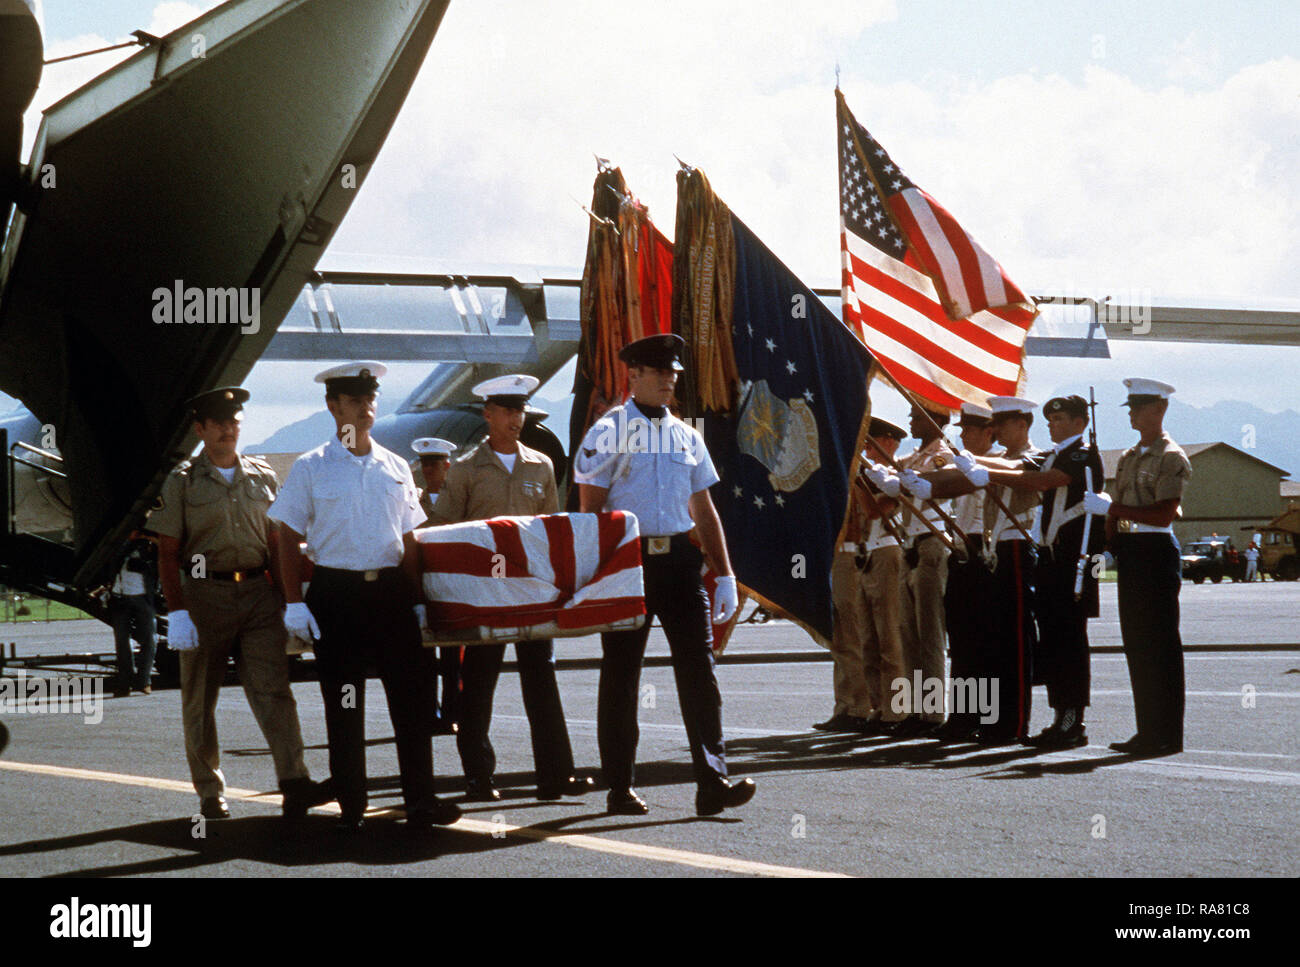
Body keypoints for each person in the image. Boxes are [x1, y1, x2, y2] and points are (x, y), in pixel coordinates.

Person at [270, 363, 460, 833]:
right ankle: (352, 802)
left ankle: (421, 800)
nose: (366, 408)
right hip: (338, 595)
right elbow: (286, 537)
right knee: (346, 702)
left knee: (411, 700)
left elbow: (410, 538)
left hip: (392, 596)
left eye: (371, 399)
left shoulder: (395, 467)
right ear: (333, 407)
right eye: (354, 400)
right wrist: (294, 602)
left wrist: (417, 598)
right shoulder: (311, 467)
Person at [575, 333, 755, 817]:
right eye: (659, 372)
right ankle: (619, 786)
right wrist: (598, 577)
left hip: (678, 561)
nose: (669, 380)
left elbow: (705, 509)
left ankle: (712, 781)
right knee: (622, 674)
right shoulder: (608, 431)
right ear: (632, 376)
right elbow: (590, 510)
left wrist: (725, 574)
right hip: (628, 561)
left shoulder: (686, 434)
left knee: (700, 672)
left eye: (673, 373)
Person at [152, 388, 329, 821]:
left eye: (234, 422)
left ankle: (294, 781)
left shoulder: (262, 476)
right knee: (200, 699)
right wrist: (176, 611)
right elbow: (168, 551)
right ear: (201, 429)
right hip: (203, 597)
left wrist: (291, 601)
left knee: (274, 691)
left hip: (257, 595)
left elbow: (275, 541)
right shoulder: (182, 482)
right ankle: (210, 791)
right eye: (219, 423)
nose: (228, 430)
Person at [428, 375, 593, 803]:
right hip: (485, 595)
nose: (515, 419)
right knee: (478, 684)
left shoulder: (541, 465)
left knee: (542, 680)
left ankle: (556, 775)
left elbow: (548, 529)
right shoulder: (464, 470)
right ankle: (478, 777)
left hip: (528, 593)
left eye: (520, 410)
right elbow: (443, 530)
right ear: (487, 414)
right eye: (507, 410)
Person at [981, 395, 1104, 750]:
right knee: (1052, 639)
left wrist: (985, 472)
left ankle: (1073, 720)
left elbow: (1043, 481)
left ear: (1081, 422)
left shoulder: (1082, 453)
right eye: (1051, 419)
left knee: (1070, 640)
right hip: (1051, 558)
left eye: (1061, 419)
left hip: (1074, 558)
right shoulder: (1054, 453)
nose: (1053, 424)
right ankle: (1058, 716)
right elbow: (1026, 472)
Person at [1099, 378, 1192, 758]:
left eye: (1139, 407)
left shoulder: (1171, 456)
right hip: (1132, 549)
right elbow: (1119, 506)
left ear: (1160, 410)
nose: (1133, 414)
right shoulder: (1128, 456)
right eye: (1131, 407)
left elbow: (1164, 512)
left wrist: (1110, 509)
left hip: (1155, 548)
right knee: (1138, 644)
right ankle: (1147, 729)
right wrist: (1109, 539)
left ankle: (1167, 733)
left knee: (1160, 645)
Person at [929, 402, 998, 743]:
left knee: (982, 641)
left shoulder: (993, 463)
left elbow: (959, 486)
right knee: (961, 640)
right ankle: (963, 714)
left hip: (982, 552)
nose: (962, 435)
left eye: (969, 430)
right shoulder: (965, 464)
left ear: (989, 432)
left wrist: (931, 485)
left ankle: (985, 716)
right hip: (960, 551)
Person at [892, 404, 954, 736]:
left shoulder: (943, 454)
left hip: (932, 542)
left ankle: (931, 712)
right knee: (908, 632)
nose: (911, 421)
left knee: (929, 631)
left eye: (917, 416)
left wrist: (907, 480)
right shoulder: (914, 456)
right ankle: (915, 708)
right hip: (910, 543)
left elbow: (939, 480)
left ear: (937, 420)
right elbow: (893, 473)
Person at [412, 437, 461, 735]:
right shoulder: (413, 501)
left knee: (453, 657)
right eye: (425, 463)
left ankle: (453, 711)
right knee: (423, 657)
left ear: (447, 466)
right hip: (421, 585)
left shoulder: (456, 499)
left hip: (452, 585)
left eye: (435, 463)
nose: (429, 469)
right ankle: (427, 712)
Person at [109, 530, 158, 697]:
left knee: (149, 639)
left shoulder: (149, 548)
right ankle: (125, 683)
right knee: (122, 641)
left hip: (141, 597)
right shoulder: (120, 546)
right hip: (119, 596)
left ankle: (144, 680)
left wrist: (146, 539)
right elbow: (112, 560)